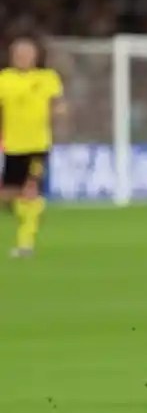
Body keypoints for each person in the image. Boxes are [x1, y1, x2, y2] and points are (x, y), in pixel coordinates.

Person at [0, 37, 66, 258]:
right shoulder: (4, 79)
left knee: (29, 190)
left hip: (38, 144)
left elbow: (58, 104)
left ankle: (25, 244)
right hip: (12, 146)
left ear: (35, 56)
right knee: (8, 197)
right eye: (19, 54)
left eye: (27, 53)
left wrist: (59, 112)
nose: (23, 57)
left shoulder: (47, 78)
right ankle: (35, 209)